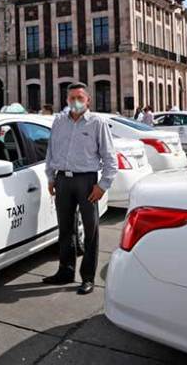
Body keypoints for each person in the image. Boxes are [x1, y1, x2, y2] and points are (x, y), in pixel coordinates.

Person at [42, 82, 117, 295]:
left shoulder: (97, 123)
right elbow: (51, 151)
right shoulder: (59, 122)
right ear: (66, 100)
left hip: (86, 182)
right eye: (71, 98)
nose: (75, 102)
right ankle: (65, 271)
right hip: (62, 181)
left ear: (88, 100)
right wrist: (50, 177)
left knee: (91, 231)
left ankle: (87, 278)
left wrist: (103, 186)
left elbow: (110, 158)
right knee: (65, 229)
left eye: (79, 98)